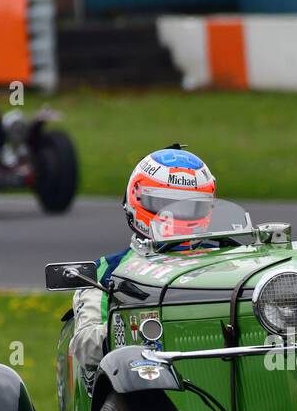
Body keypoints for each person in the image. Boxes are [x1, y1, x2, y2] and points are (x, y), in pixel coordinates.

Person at [69, 146, 217, 372]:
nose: (174, 216)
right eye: (163, 204)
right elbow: (85, 349)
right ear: (136, 197)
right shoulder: (105, 272)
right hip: (139, 385)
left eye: (191, 206)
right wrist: (136, 327)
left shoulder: (227, 263)